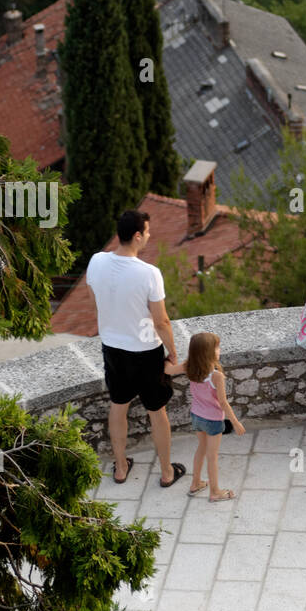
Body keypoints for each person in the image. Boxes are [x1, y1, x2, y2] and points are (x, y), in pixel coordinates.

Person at [84, 209, 185, 488]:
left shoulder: (96, 261)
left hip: (112, 348)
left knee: (118, 406)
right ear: (137, 236)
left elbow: (95, 300)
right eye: (148, 232)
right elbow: (161, 321)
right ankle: (166, 472)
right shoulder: (149, 273)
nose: (150, 236)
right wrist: (173, 351)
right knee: (156, 411)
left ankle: (119, 467)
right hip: (145, 352)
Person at [181, 332, 246, 502]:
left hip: (196, 416)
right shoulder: (216, 376)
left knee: (200, 449)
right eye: (217, 347)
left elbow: (168, 369)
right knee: (212, 457)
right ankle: (215, 492)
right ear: (208, 353)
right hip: (213, 421)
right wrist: (236, 423)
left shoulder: (189, 367)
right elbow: (223, 403)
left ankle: (195, 483)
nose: (219, 350)